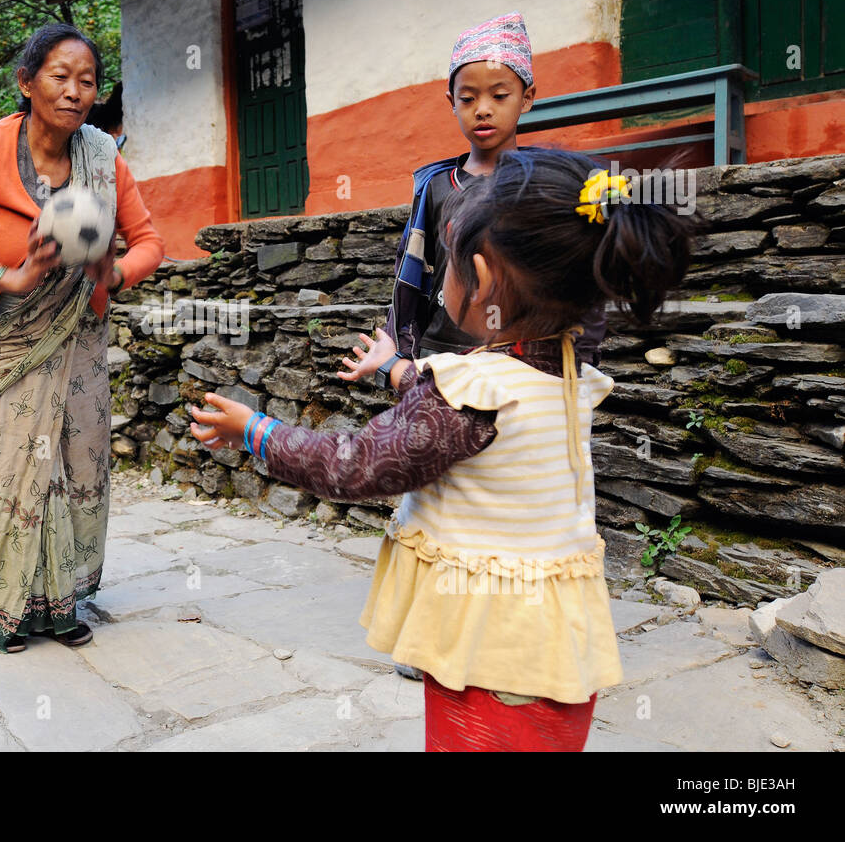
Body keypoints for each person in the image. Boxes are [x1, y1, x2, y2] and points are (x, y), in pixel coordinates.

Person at [190, 149, 692, 751]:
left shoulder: (475, 394)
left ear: (478, 280)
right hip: (553, 653)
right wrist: (398, 369)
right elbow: (465, 399)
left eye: (449, 263)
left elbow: (358, 464)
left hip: (489, 662)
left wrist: (256, 431)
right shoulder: (565, 372)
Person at [0, 23, 163, 655]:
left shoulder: (103, 157)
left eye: (87, 81)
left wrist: (113, 271)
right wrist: (13, 274)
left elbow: (151, 244)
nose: (75, 91)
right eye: (60, 76)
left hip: (77, 331)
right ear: (27, 83)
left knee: (69, 456)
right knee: (6, 464)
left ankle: (58, 603)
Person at [342, 13, 605, 391]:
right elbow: (411, 273)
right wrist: (398, 352)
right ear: (452, 102)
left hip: (524, 360)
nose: (483, 108)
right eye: (468, 98)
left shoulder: (546, 184)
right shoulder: (435, 188)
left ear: (527, 97)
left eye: (499, 96)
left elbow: (578, 271)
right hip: (441, 355)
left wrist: (579, 353)